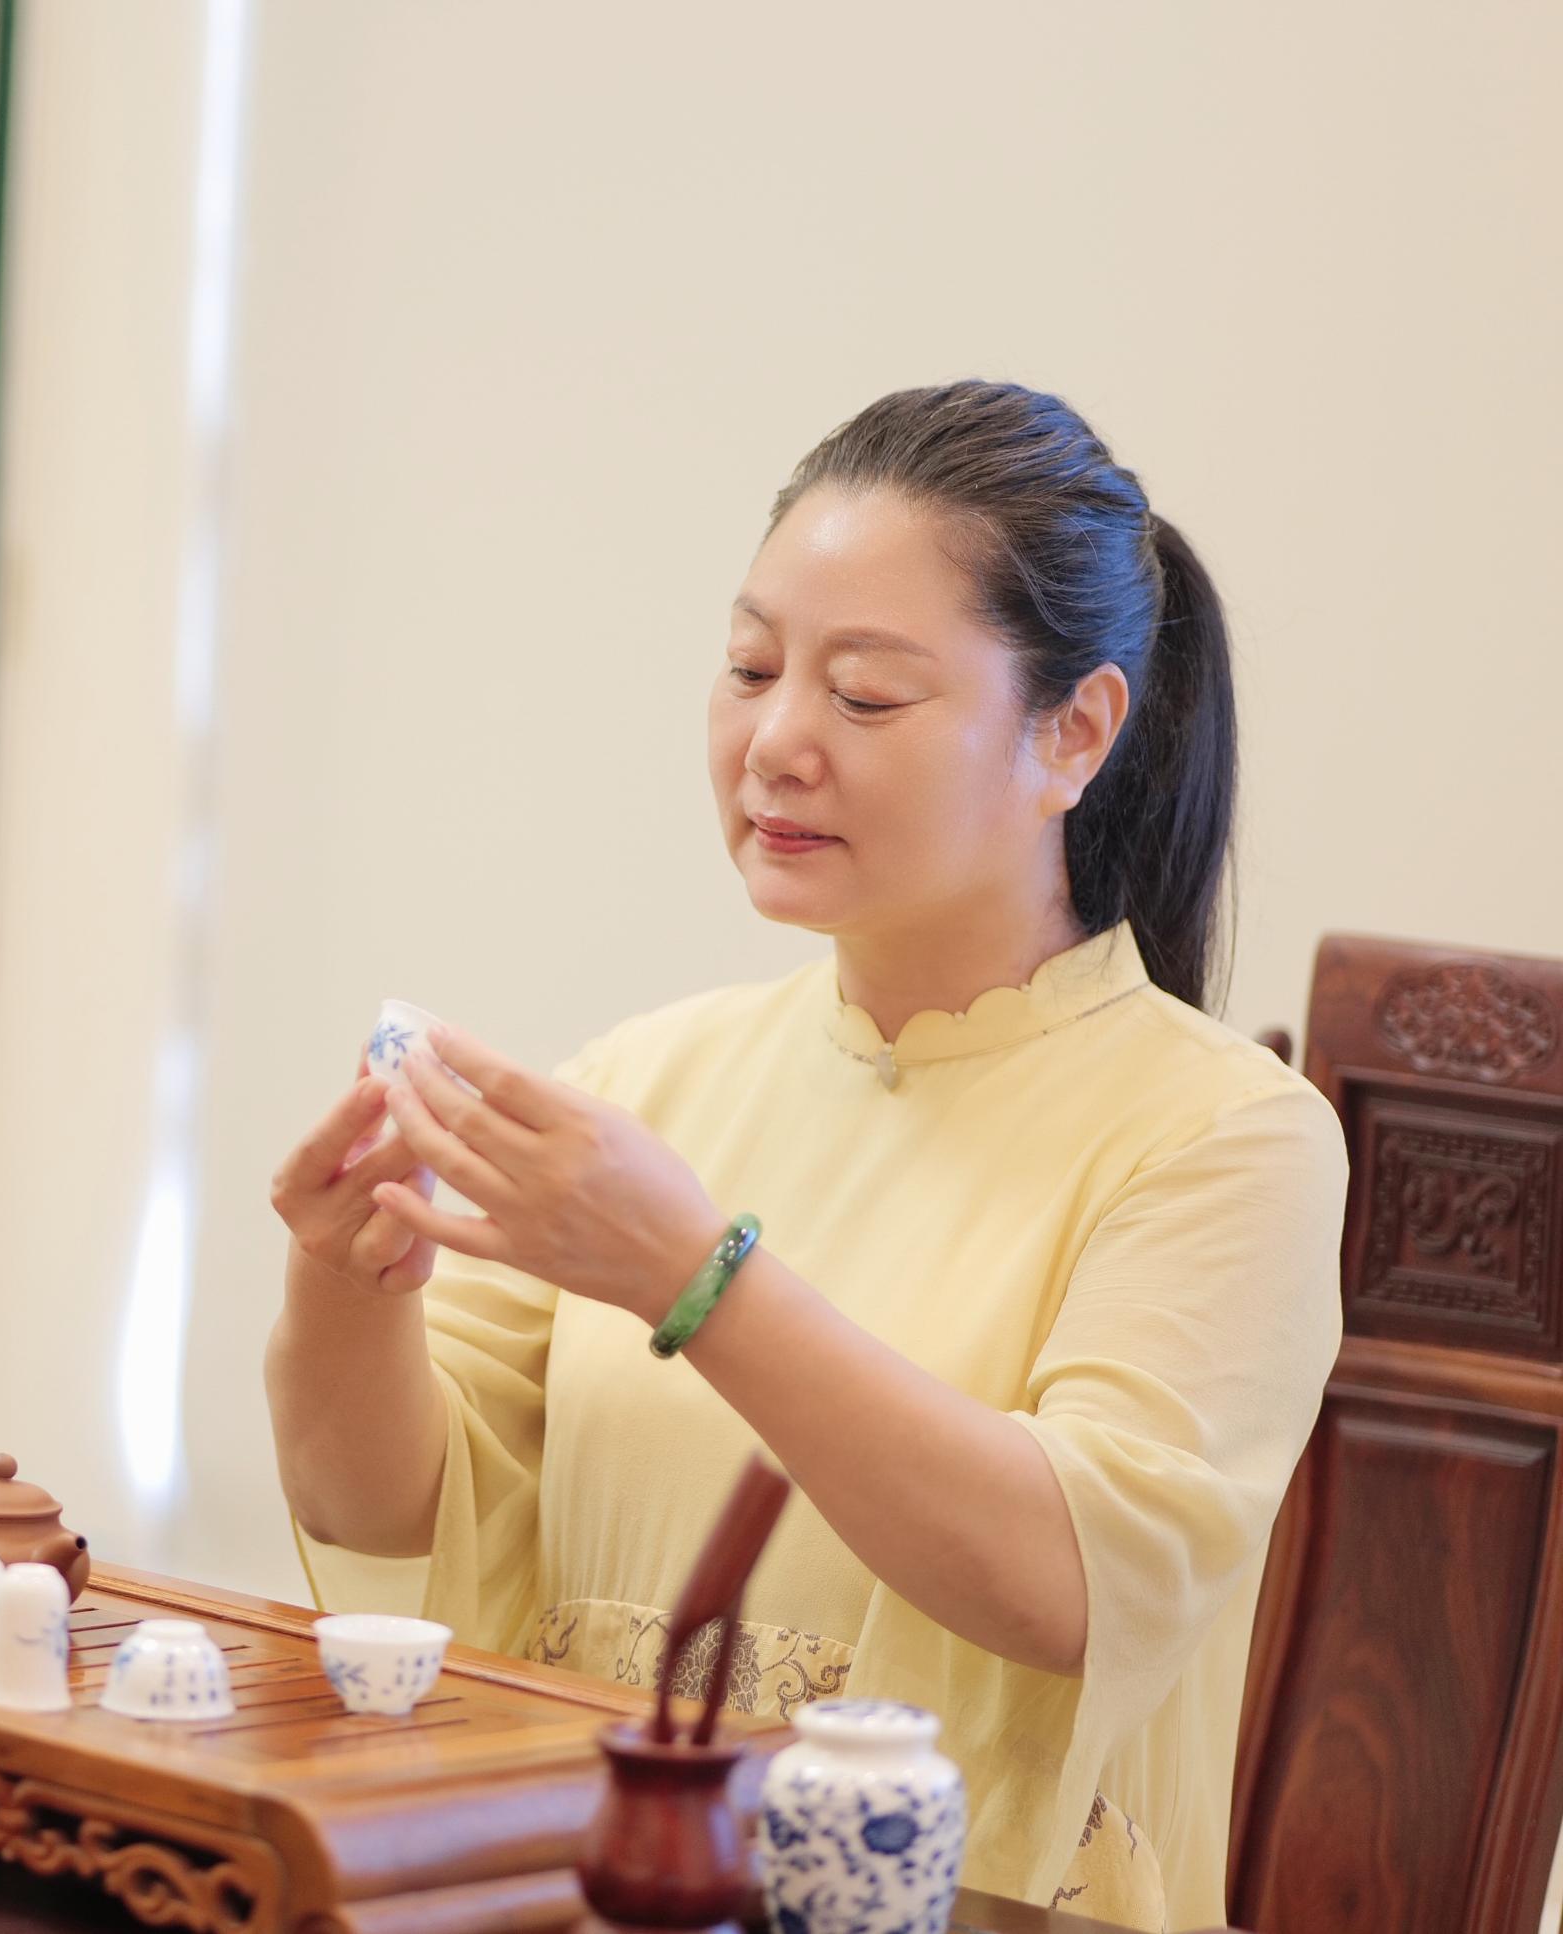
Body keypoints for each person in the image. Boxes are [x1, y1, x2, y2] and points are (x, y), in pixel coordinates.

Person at [263, 380, 1346, 1932]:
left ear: (1074, 732)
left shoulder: (1229, 1134)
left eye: (867, 696)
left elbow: (1069, 1577)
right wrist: (345, 1276)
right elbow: (378, 1507)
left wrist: (693, 1277)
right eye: (752, 667)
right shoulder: (643, 1080)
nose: (774, 742)